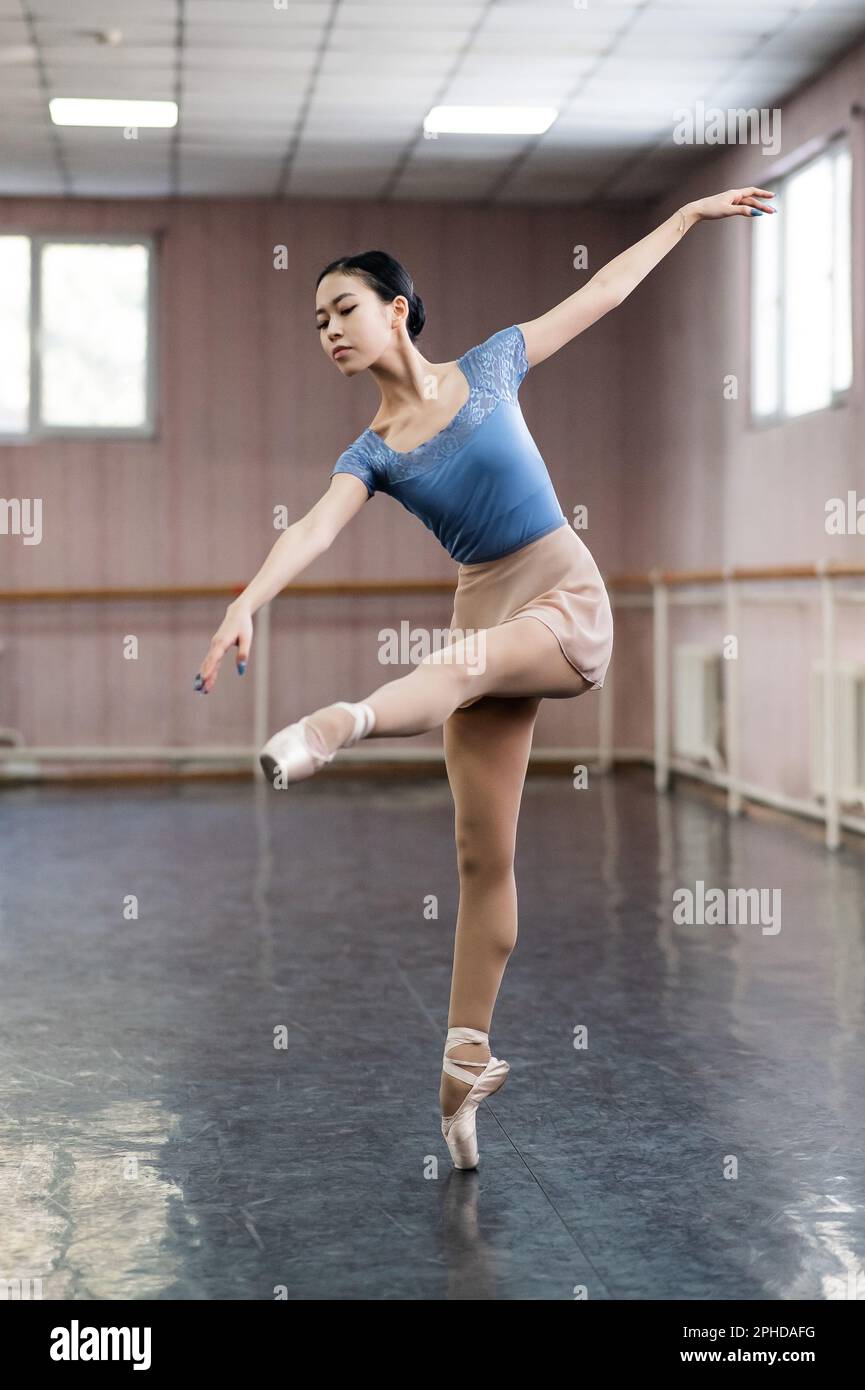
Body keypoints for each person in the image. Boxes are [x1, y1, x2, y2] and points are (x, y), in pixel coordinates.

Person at [193, 186, 776, 1170]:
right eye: (317, 320)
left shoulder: (495, 362)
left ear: (398, 309)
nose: (329, 329)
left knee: (461, 665)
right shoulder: (372, 452)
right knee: (479, 856)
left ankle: (339, 723)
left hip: (560, 598)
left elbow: (602, 296)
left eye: (344, 308)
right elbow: (313, 527)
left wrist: (684, 220)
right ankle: (461, 1077)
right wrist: (248, 596)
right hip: (483, 614)